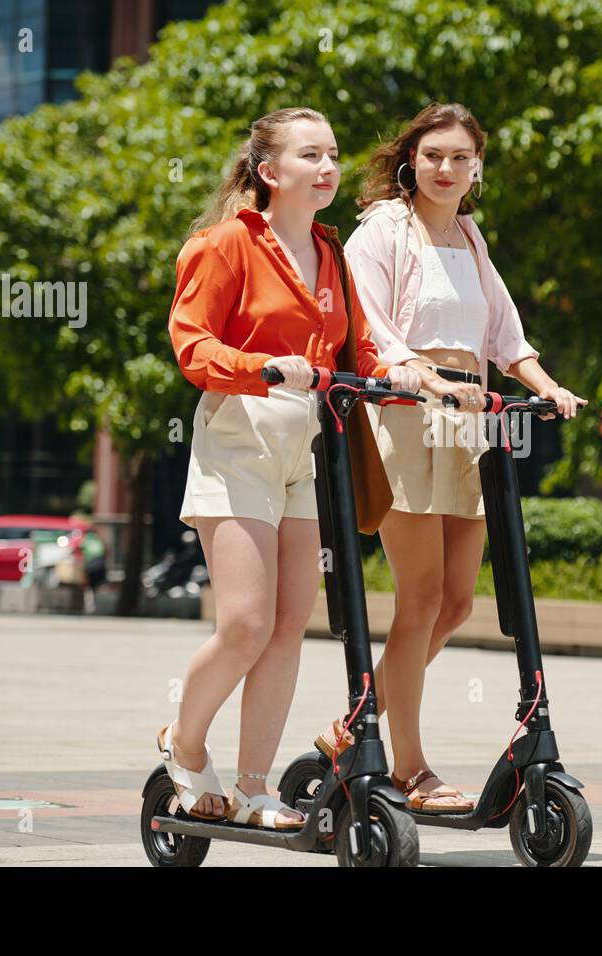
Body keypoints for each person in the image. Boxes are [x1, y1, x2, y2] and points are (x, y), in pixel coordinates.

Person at [310, 103, 586, 813]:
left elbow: (503, 332)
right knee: (421, 598)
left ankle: (353, 726)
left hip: (469, 416)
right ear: (411, 160)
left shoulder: (469, 234)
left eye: (460, 158)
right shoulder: (382, 230)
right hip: (404, 415)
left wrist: (548, 387)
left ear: (477, 168)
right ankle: (409, 767)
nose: (446, 168)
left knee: (459, 601)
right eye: (433, 155)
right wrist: (419, 374)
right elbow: (366, 321)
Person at [161, 107, 421, 829]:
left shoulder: (331, 253)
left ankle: (254, 787)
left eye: (333, 153)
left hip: (305, 447)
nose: (328, 166)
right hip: (239, 434)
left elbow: (360, 350)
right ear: (269, 172)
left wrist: (416, 376)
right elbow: (193, 348)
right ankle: (183, 744)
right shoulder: (223, 246)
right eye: (310, 155)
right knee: (245, 623)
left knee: (286, 627)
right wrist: (265, 367)